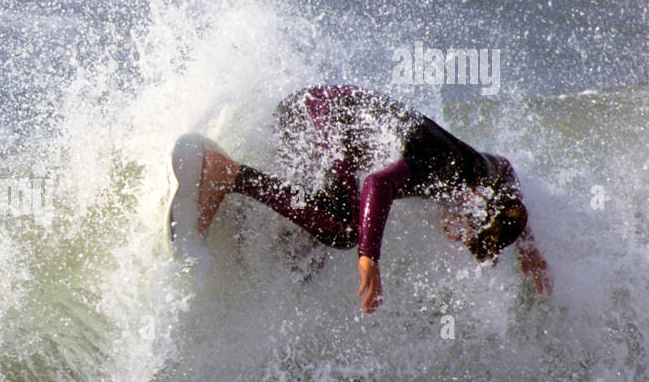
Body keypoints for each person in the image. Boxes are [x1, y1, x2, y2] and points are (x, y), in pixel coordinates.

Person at [193, 85, 553, 313]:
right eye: (465, 231)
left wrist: (528, 248)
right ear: (474, 203)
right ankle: (230, 174)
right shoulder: (444, 170)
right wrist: (370, 258)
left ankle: (243, 226)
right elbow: (378, 186)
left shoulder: (480, 171)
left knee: (308, 259)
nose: (455, 237)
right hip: (314, 120)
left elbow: (508, 172)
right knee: (345, 232)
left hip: (320, 115)